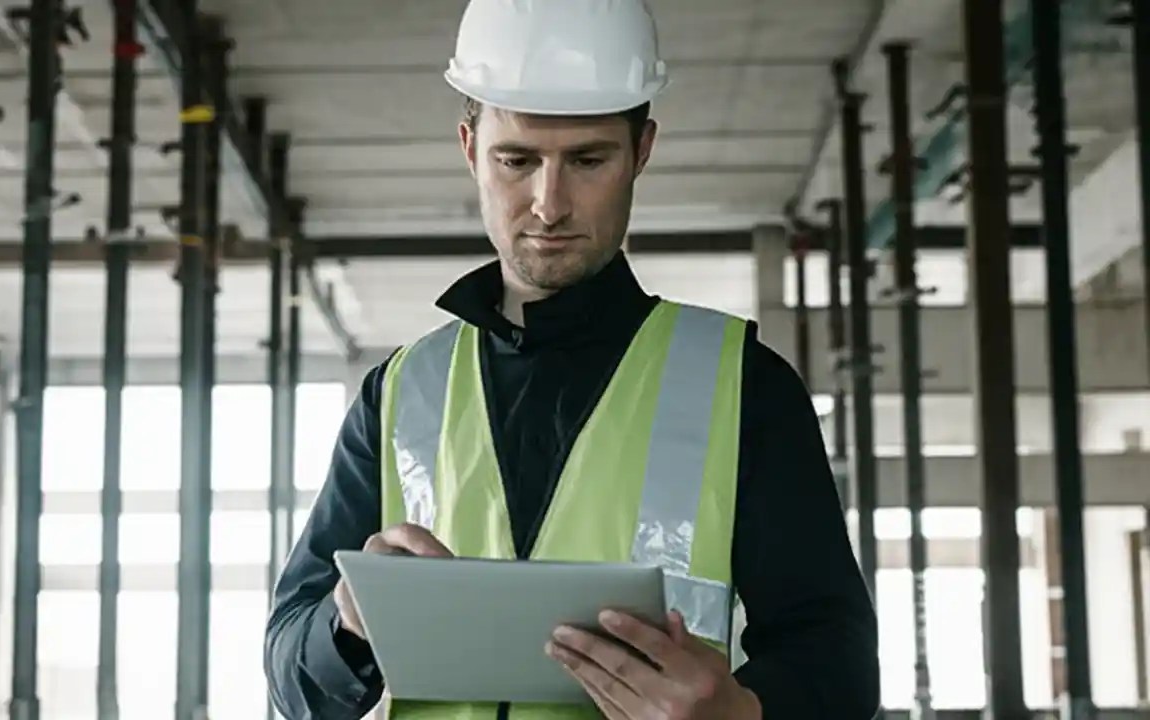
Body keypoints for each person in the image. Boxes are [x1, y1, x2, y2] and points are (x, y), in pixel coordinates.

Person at [264, 1, 880, 718]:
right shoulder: (399, 395)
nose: (549, 204)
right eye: (516, 160)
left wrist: (743, 713)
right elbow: (290, 680)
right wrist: (348, 622)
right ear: (470, 148)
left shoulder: (744, 386)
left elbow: (838, 664)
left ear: (641, 150)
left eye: (587, 160)